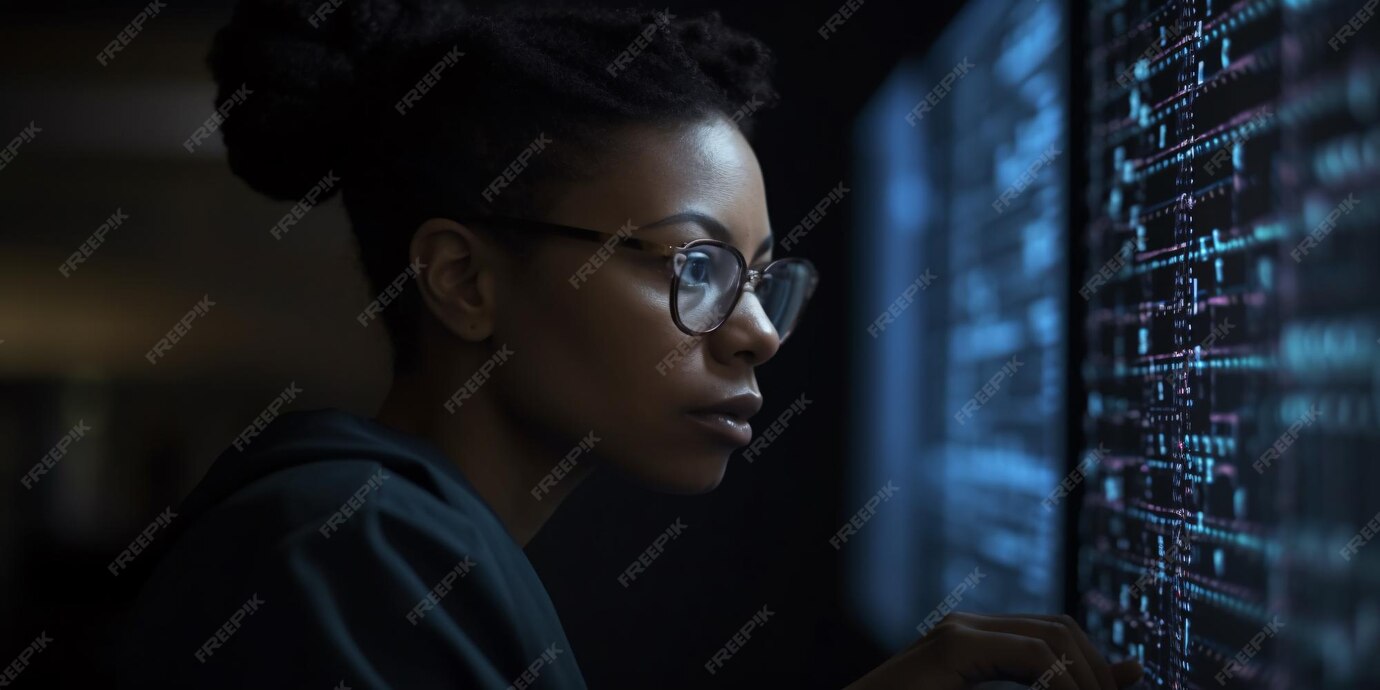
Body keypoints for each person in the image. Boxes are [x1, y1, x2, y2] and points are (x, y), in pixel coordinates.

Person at [114, 2, 1145, 688]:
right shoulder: (354, 555)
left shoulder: (384, 539)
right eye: (696, 267)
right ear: (464, 281)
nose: (757, 334)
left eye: (761, 279)